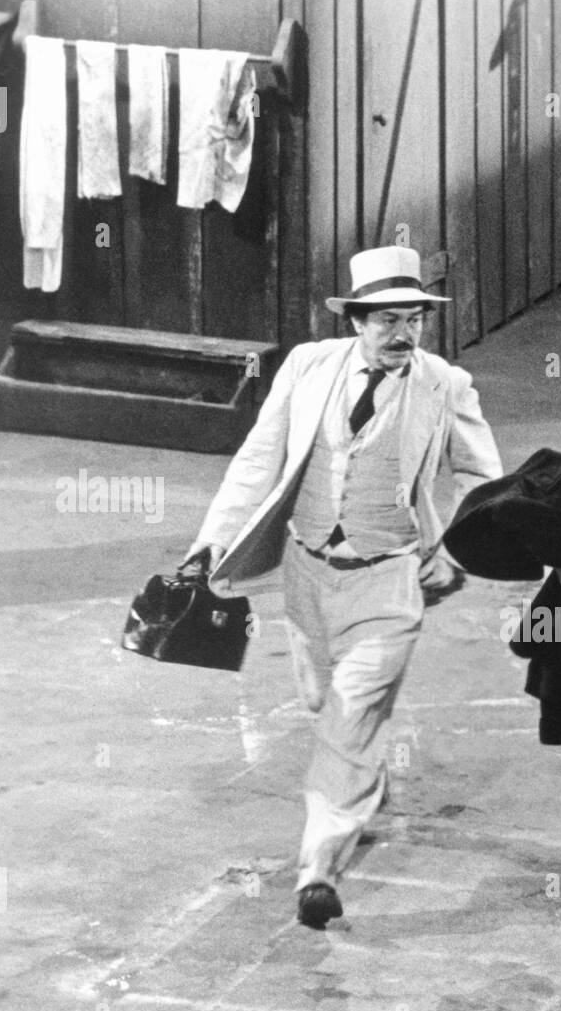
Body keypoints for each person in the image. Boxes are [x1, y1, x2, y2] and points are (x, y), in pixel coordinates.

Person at [182, 246, 502, 929]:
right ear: (354, 321)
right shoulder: (307, 367)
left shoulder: (446, 384)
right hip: (306, 569)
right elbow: (260, 457)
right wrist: (208, 545)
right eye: (386, 320)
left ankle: (318, 869)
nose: (403, 334)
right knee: (325, 702)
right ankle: (362, 780)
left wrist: (463, 551)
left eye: (413, 319)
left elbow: (485, 481)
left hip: (389, 578)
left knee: (349, 716)